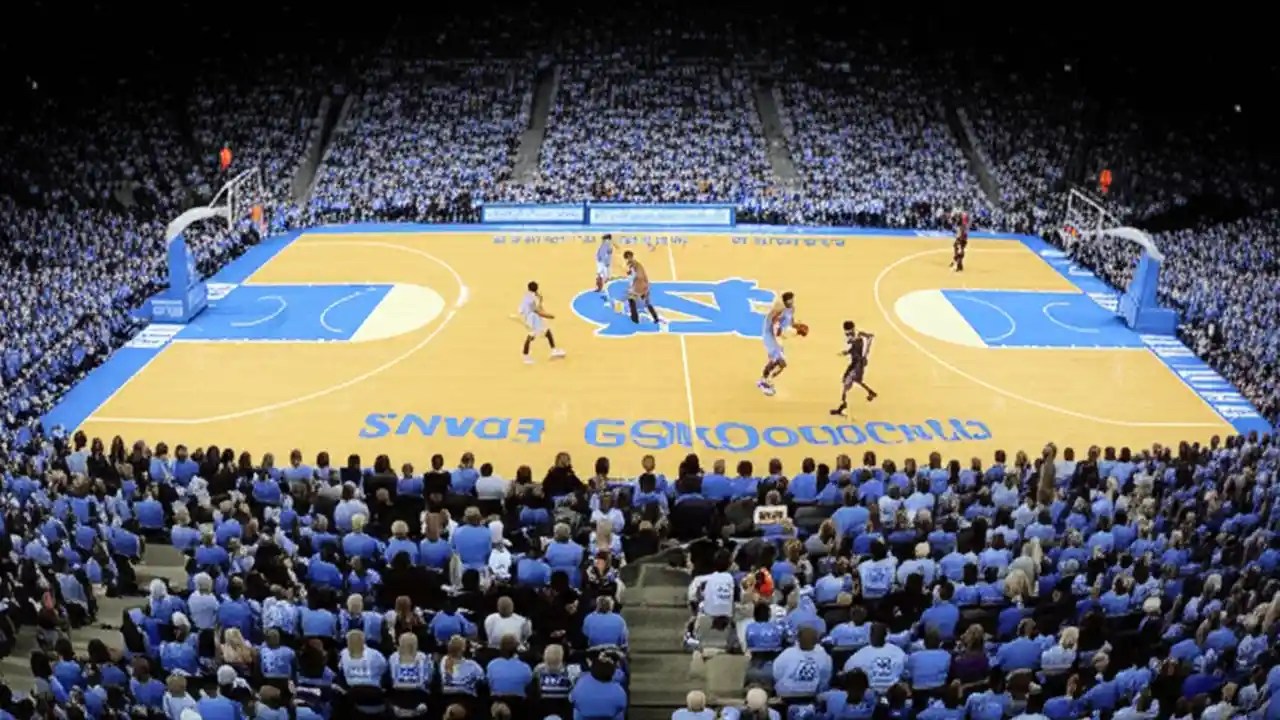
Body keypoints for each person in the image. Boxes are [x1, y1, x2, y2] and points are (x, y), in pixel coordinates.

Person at [831, 320, 878, 416]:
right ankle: (870, 392)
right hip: (855, 362)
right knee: (855, 380)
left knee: (847, 381)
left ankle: (843, 405)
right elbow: (853, 349)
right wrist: (846, 352)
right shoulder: (852, 337)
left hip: (858, 363)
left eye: (848, 331)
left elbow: (870, 337)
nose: (847, 333)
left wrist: (865, 355)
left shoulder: (859, 336)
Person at [758, 291, 800, 397]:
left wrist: (797, 327)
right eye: (789, 300)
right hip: (770, 335)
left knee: (779, 363)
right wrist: (784, 334)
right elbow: (775, 326)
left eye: (792, 299)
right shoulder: (778, 310)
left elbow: (790, 322)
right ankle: (765, 381)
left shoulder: (791, 309)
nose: (791, 301)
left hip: (778, 337)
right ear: (785, 301)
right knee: (780, 362)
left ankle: (765, 380)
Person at [518, 281, 565, 364]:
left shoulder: (527, 296)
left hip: (530, 317)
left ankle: (553, 350)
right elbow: (537, 311)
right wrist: (549, 316)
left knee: (547, 331)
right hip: (534, 319)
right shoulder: (533, 299)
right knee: (531, 336)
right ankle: (526, 356)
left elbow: (521, 310)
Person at [623, 250, 661, 325]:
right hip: (641, 286)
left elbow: (639, 276)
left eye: (627, 258)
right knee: (645, 302)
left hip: (640, 286)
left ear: (630, 257)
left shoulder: (636, 265)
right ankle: (655, 318)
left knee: (633, 300)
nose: (627, 260)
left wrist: (635, 285)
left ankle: (635, 320)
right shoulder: (632, 265)